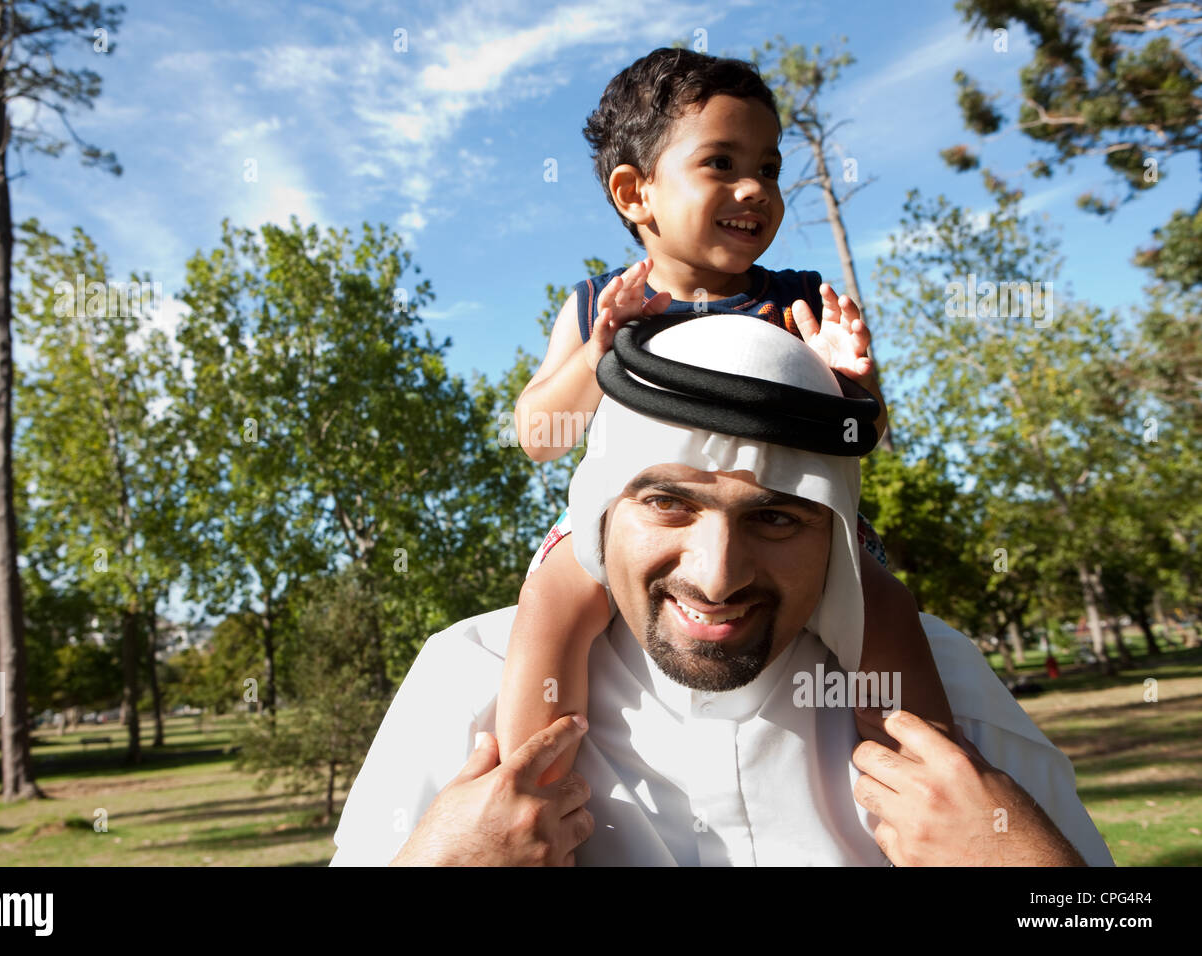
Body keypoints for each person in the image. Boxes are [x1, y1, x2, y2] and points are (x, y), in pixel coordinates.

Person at [330, 313, 1114, 866]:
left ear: (839, 530)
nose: (717, 575)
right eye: (668, 503)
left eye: (777, 519)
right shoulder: (467, 676)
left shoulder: (945, 679)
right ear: (600, 511)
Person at [501, 47, 949, 787]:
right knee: (548, 605)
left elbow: (854, 441)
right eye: (721, 163)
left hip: (790, 517)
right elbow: (539, 437)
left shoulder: (797, 299)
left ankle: (935, 787)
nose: (755, 189)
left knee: (887, 609)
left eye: (769, 168)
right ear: (634, 192)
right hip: (629, 521)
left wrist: (851, 385)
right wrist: (597, 353)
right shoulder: (597, 305)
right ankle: (532, 790)